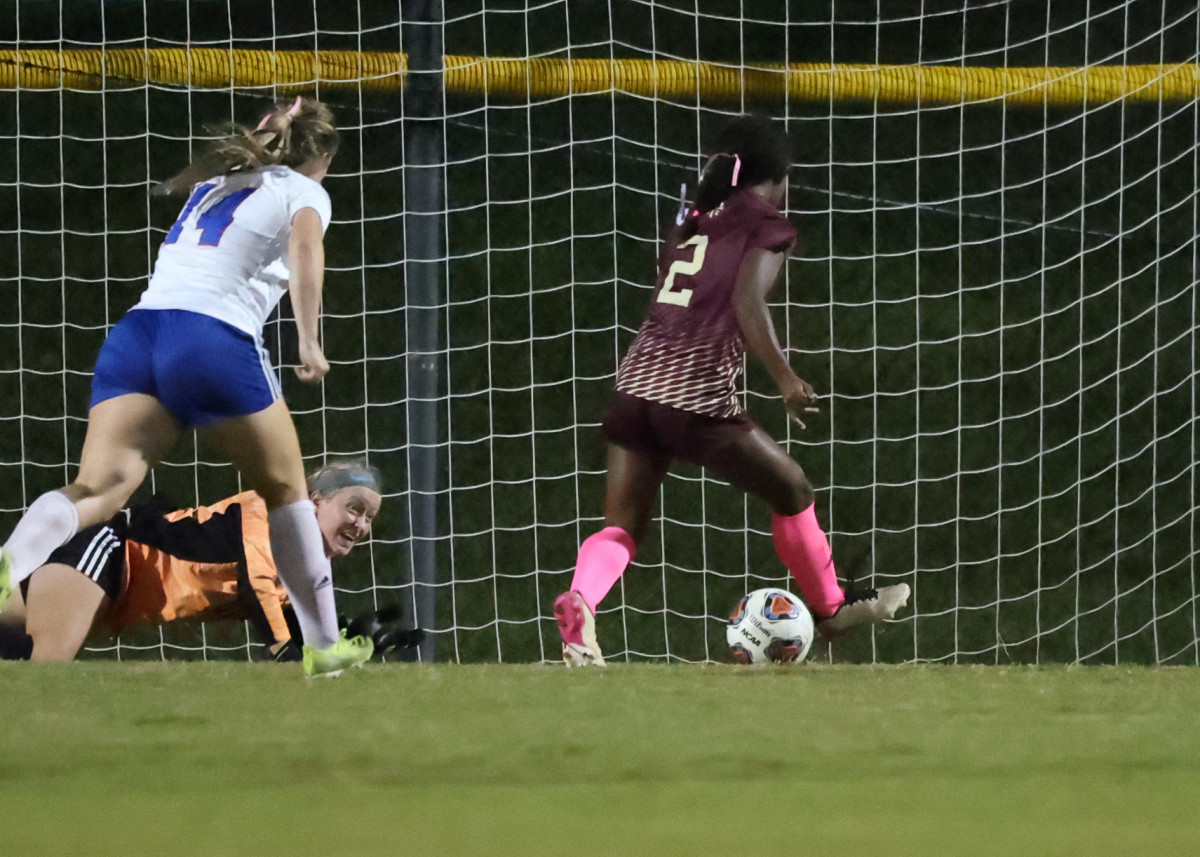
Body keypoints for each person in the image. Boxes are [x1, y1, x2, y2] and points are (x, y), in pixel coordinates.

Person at [0, 96, 372, 676]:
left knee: (98, 488)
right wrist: (307, 338)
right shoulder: (304, 189)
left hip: (137, 334)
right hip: (210, 337)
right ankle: (324, 647)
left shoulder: (217, 184)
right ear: (322, 156)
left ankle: (9, 561)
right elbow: (305, 246)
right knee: (288, 492)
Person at [552, 114, 911, 667]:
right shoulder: (768, 224)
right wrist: (786, 379)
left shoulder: (691, 217)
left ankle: (581, 601)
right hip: (693, 395)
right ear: (781, 176)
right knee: (792, 489)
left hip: (634, 385)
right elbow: (747, 300)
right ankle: (832, 610)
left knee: (621, 526)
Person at [0, 462, 413, 666]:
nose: (361, 524)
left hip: (119, 589)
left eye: (370, 517)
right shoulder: (272, 516)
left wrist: (351, 642)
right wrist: (286, 654)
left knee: (11, 644)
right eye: (354, 508)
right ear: (316, 501)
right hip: (112, 552)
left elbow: (298, 622)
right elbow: (256, 585)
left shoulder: (299, 565)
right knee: (46, 671)